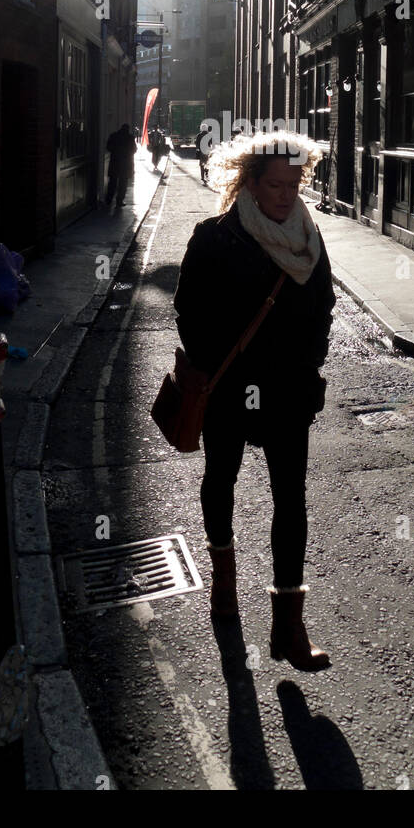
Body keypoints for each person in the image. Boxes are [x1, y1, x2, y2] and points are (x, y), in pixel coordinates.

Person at [173, 130, 336, 670]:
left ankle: (289, 625)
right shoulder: (217, 236)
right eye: (276, 185)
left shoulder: (310, 238)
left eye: (295, 184)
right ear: (250, 182)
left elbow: (324, 307)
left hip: (289, 392)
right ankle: (223, 577)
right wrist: (220, 365)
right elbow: (189, 310)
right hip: (230, 390)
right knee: (221, 478)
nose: (287, 195)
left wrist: (310, 365)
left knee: (291, 499)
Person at [105, 123, 136, 209]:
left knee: (112, 183)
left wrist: (115, 152)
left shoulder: (113, 136)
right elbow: (134, 150)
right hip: (125, 164)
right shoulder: (130, 138)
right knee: (123, 184)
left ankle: (108, 200)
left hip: (115, 163)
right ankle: (119, 201)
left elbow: (108, 147)